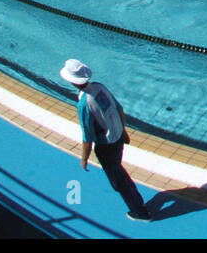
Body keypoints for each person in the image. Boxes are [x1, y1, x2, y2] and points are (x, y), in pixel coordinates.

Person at [59, 59, 152, 221]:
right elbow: (119, 109)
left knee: (118, 181)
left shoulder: (83, 104)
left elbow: (87, 137)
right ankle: (138, 201)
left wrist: (84, 159)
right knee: (119, 170)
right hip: (118, 139)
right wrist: (123, 132)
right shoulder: (99, 87)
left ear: (72, 82)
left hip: (106, 146)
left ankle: (140, 212)